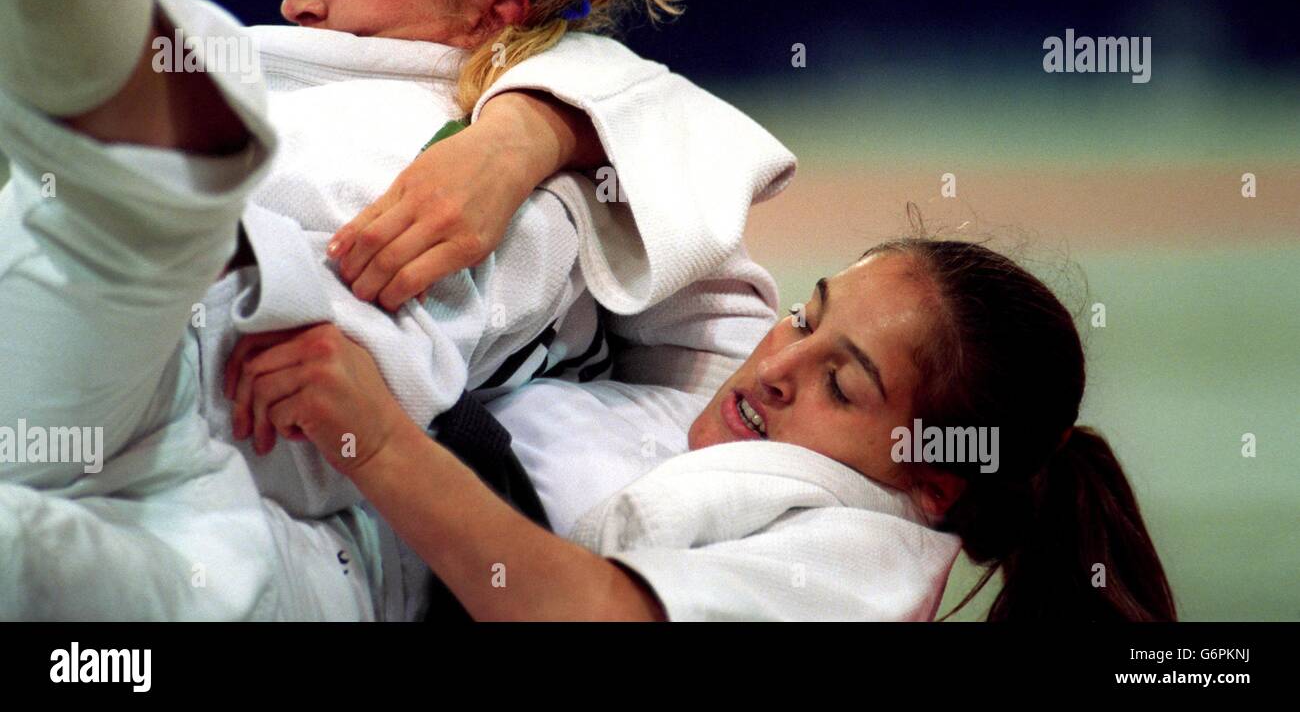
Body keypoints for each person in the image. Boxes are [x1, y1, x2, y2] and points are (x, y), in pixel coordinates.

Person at [0, 0, 791, 620]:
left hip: (207, 408)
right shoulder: (516, 125)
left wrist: (538, 127)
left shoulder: (557, 181)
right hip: (156, 363)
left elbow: (710, 287)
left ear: (494, 11)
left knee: (152, 186)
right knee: (150, 182)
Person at [238, 234, 1180, 621]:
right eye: (807, 320)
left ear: (933, 481)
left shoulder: (859, 581)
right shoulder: (720, 424)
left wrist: (382, 439)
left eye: (841, 388)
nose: (774, 370)